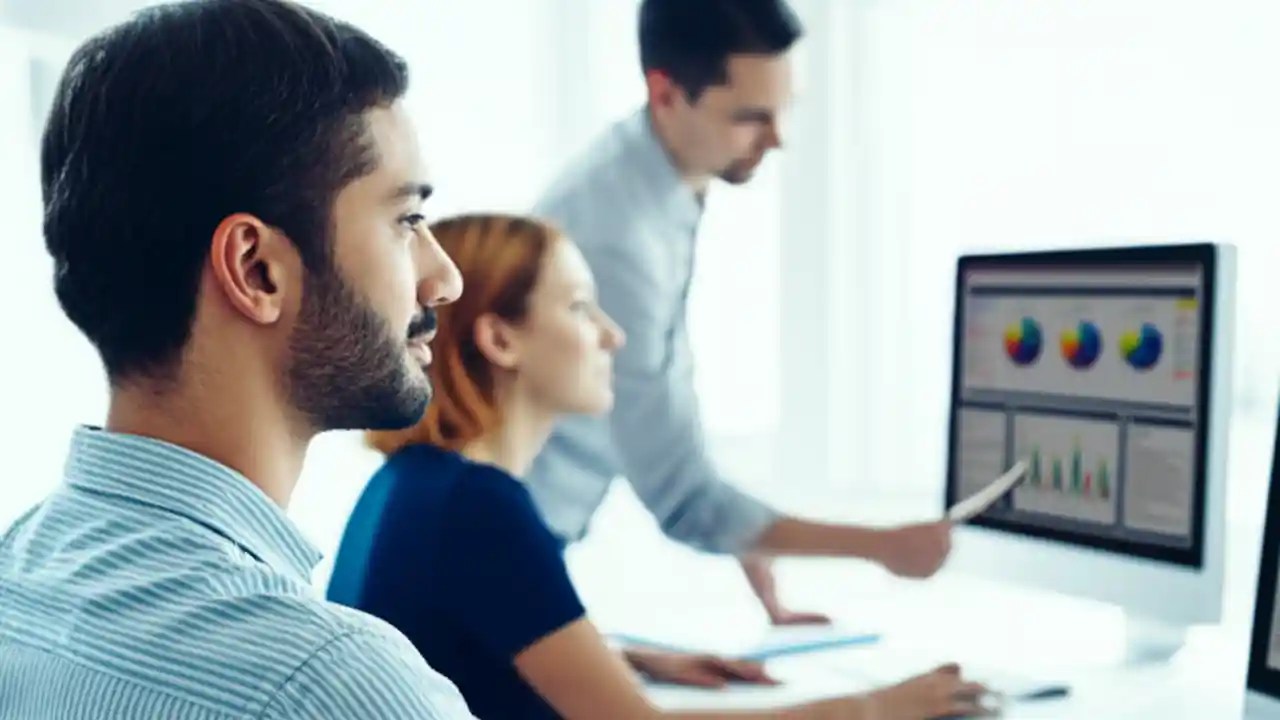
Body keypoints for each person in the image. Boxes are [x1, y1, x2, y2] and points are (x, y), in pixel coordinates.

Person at [0, 1, 477, 717]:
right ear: (256, 271)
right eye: (406, 221)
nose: (445, 279)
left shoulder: (15, 576)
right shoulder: (336, 685)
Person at [327, 213, 987, 720]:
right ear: (501, 338)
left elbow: (470, 648)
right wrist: (877, 708)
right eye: (580, 307)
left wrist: (620, 660)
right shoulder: (479, 505)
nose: (612, 335)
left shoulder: (413, 481)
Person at [528, 0, 953, 625]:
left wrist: (751, 547)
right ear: (665, 93)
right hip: (508, 549)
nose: (778, 138)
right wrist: (883, 547)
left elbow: (663, 386)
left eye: (783, 109)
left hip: (528, 545)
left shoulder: (658, 175)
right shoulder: (617, 236)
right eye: (751, 116)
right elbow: (683, 498)